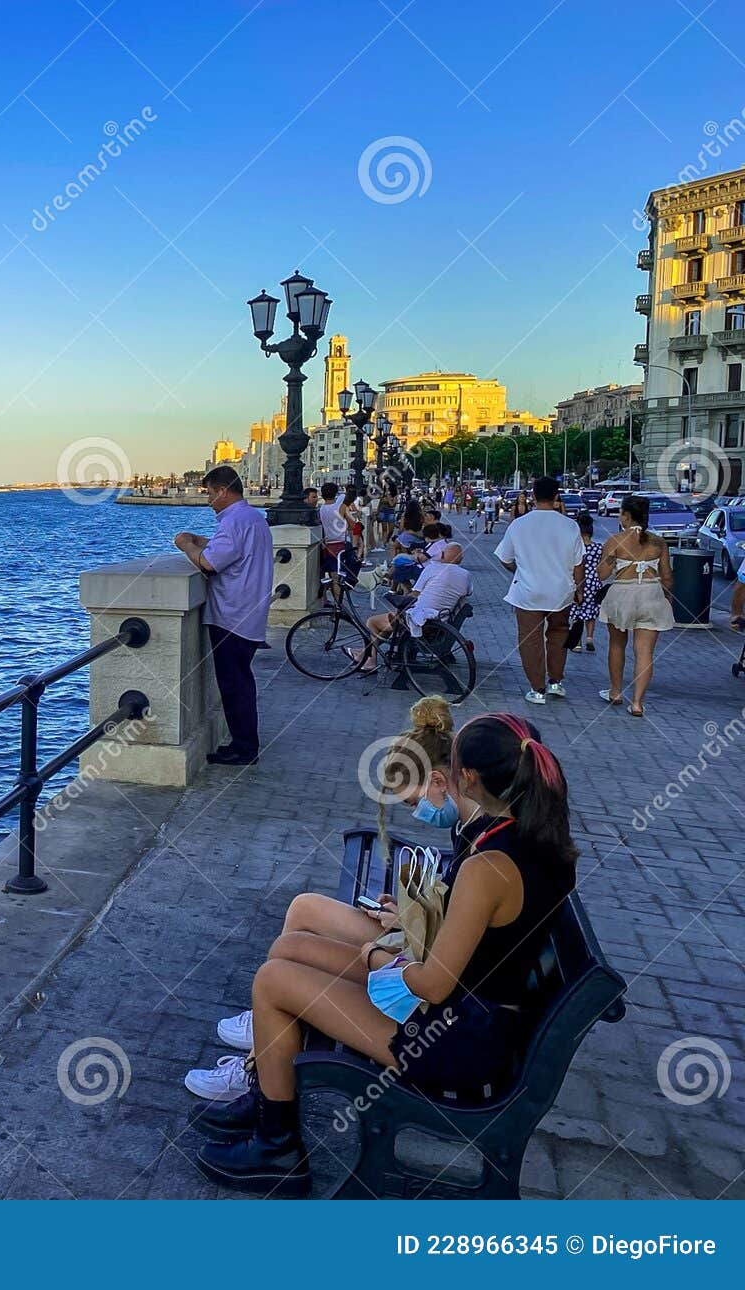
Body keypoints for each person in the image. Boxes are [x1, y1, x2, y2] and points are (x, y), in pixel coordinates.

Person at [193, 714, 577, 1195]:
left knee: (274, 981)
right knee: (291, 948)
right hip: (479, 1017)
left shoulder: (490, 864)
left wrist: (378, 956)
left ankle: (277, 1149)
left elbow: (435, 983)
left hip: (454, 1041)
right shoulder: (533, 838)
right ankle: (268, 1093)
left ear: (470, 779)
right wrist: (410, 923)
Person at [183, 696, 462, 1103]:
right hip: (425, 967)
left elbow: (440, 972)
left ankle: (261, 1064)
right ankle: (268, 1029)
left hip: (433, 1014)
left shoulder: (487, 857)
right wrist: (408, 915)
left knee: (277, 972)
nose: (417, 813)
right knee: (303, 911)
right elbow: (453, 928)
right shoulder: (478, 834)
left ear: (440, 780)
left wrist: (377, 951)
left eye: (414, 802)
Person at [174, 467, 275, 765]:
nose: (208, 500)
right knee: (240, 682)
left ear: (221, 490)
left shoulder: (233, 521)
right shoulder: (253, 518)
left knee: (235, 686)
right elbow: (231, 550)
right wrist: (203, 539)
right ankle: (243, 743)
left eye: (208, 493)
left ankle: (244, 749)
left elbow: (208, 563)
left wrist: (185, 544)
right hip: (250, 613)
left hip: (233, 616)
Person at [494, 477, 582, 705]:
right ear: (556, 496)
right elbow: (578, 563)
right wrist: (578, 589)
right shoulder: (570, 525)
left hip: (527, 592)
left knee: (530, 640)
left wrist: (519, 570)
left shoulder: (519, 524)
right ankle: (555, 681)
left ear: (532, 496)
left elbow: (505, 558)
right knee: (558, 635)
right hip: (561, 592)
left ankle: (537, 689)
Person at [597, 494, 674, 718]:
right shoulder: (659, 543)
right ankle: (638, 703)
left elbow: (602, 574)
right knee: (645, 652)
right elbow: (667, 576)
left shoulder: (615, 541)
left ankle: (615, 691)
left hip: (622, 593)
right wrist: (667, 597)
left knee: (616, 645)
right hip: (651, 594)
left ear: (626, 517)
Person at [352, 543, 471, 673]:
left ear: (442, 555)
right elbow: (467, 592)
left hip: (422, 625)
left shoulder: (433, 569)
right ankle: (364, 652)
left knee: (373, 622)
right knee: (388, 623)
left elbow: (414, 594)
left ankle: (371, 661)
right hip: (441, 623)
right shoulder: (466, 575)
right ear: (461, 559)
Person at [567, 512, 604, 654]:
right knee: (591, 611)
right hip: (594, 582)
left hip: (578, 581)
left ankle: (577, 642)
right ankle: (589, 637)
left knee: (577, 612)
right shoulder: (599, 548)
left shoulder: (576, 548)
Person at [317, 482, 349, 601]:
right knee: (338, 577)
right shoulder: (339, 506)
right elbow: (348, 495)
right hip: (340, 544)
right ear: (335, 494)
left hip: (328, 545)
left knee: (332, 576)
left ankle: (331, 601)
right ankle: (339, 603)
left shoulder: (321, 510)